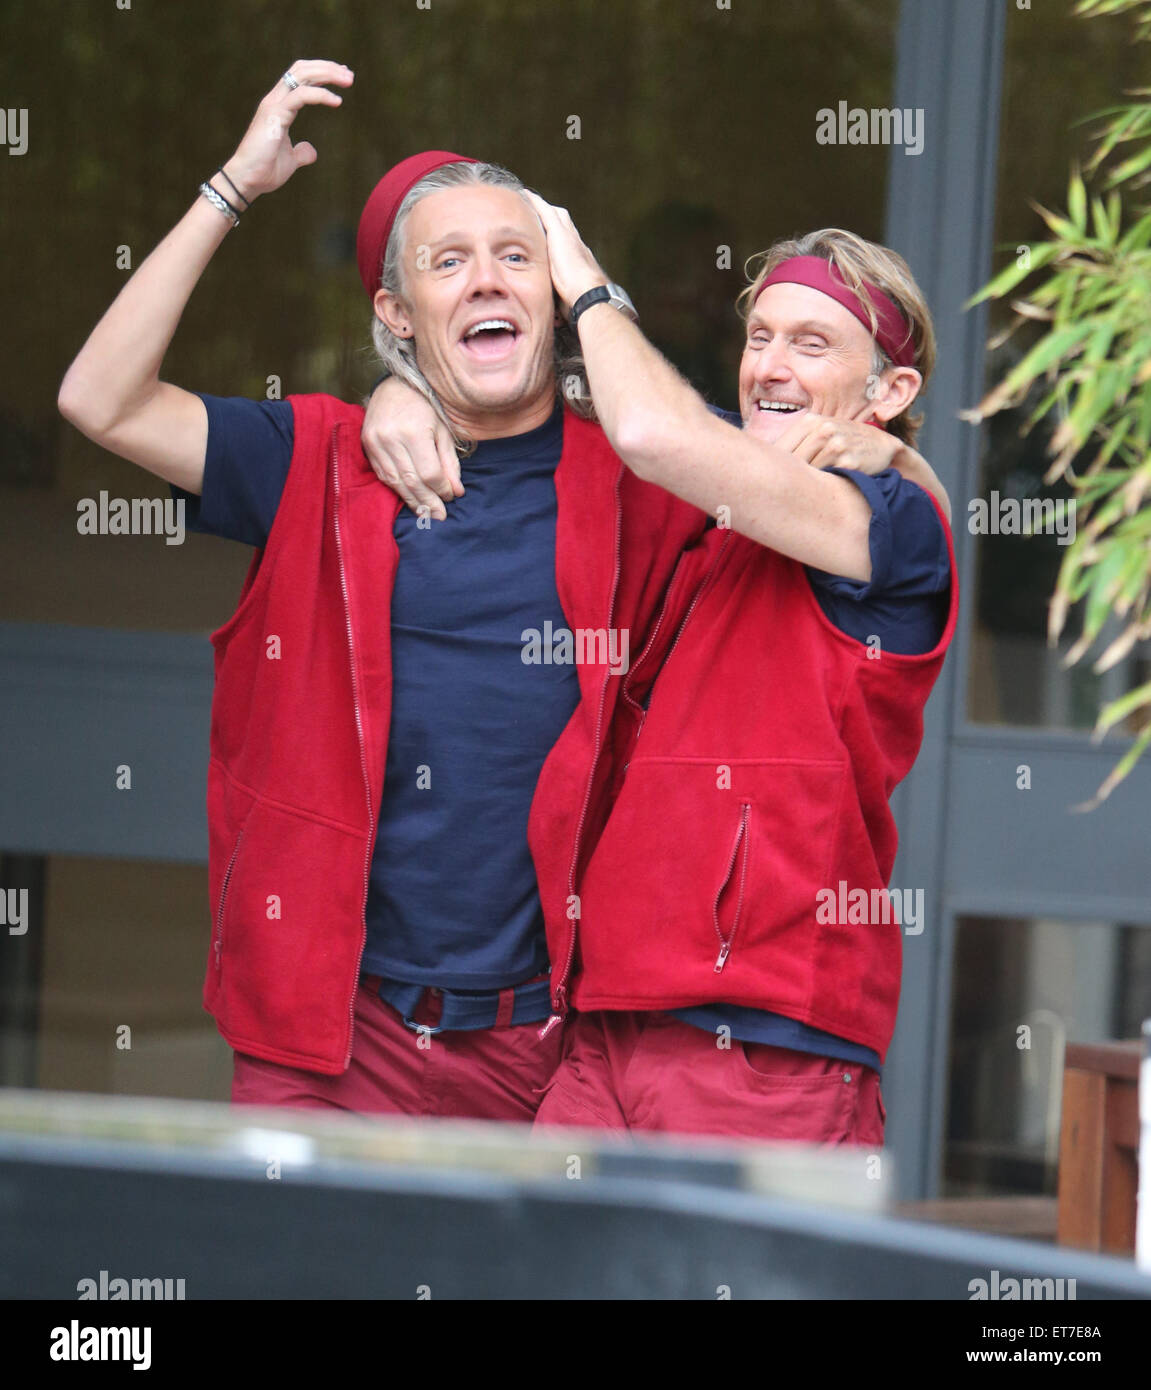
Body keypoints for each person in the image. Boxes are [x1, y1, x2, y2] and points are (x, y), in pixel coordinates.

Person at [55, 60, 702, 1120]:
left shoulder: (641, 487)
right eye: (450, 263)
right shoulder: (315, 458)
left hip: (540, 1047)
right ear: (399, 316)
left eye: (516, 256)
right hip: (327, 1037)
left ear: (553, 293)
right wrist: (233, 189)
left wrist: (597, 297)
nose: (488, 279)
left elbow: (793, 503)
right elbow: (100, 398)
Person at [365, 208, 956, 1145]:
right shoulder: (715, 506)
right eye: (760, 337)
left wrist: (586, 283)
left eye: (812, 343)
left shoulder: (893, 526)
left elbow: (648, 430)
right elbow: (546, 411)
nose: (770, 365)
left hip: (768, 1038)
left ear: (888, 389)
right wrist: (398, 396)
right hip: (609, 1021)